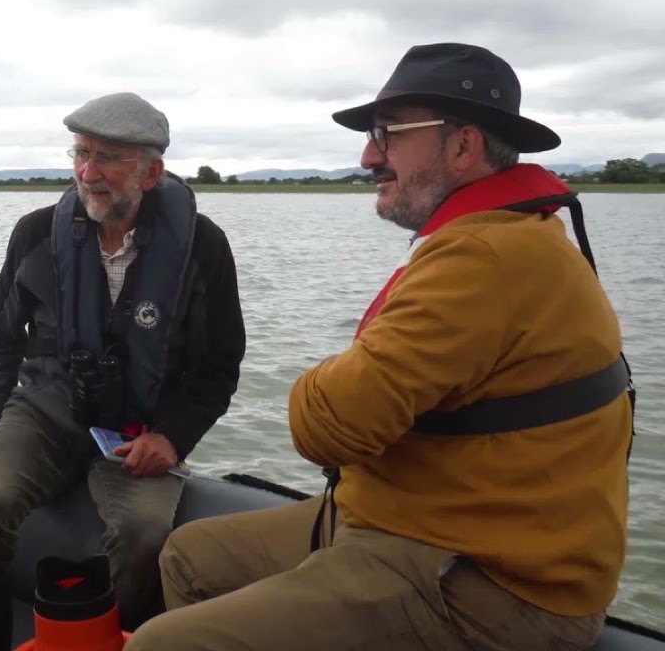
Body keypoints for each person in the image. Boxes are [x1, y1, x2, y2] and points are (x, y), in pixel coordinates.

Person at [125, 42, 636, 651]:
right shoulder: (519, 234)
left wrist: (321, 380)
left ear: (464, 145)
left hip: (488, 583)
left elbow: (328, 429)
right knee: (189, 557)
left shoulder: (482, 258)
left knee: (159, 644)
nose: (369, 155)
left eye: (388, 134)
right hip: (419, 522)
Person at [0, 91, 246, 650]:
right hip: (47, 409)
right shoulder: (37, 233)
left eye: (109, 157)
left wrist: (173, 437)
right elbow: (2, 336)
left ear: (152, 172)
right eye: (80, 153)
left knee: (143, 536)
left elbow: (219, 364)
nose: (88, 172)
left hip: (143, 427)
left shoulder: (202, 249)